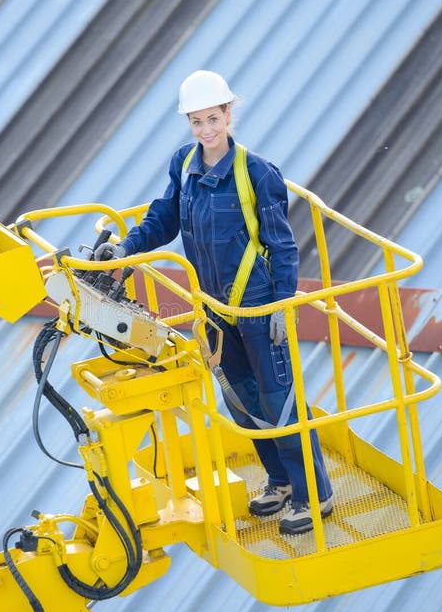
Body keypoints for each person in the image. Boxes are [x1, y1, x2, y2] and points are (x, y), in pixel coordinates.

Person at [95, 70, 333, 535]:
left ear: (229, 113)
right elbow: (165, 216)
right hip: (213, 306)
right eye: (196, 121)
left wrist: (283, 307)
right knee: (241, 398)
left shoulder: (256, 173)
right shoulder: (184, 164)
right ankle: (281, 482)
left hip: (258, 304)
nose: (206, 130)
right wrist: (126, 249)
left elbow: (282, 248)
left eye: (213, 118)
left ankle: (314, 496)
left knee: (279, 400)